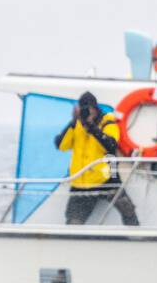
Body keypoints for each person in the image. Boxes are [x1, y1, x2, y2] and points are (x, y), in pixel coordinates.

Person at [55, 92, 139, 226]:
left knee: (128, 210)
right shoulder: (76, 125)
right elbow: (60, 145)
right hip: (81, 183)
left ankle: (137, 238)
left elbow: (111, 145)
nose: (89, 112)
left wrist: (92, 127)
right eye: (85, 109)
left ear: (96, 107)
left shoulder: (107, 122)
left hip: (107, 179)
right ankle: (72, 244)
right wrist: (72, 122)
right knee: (73, 223)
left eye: (91, 108)